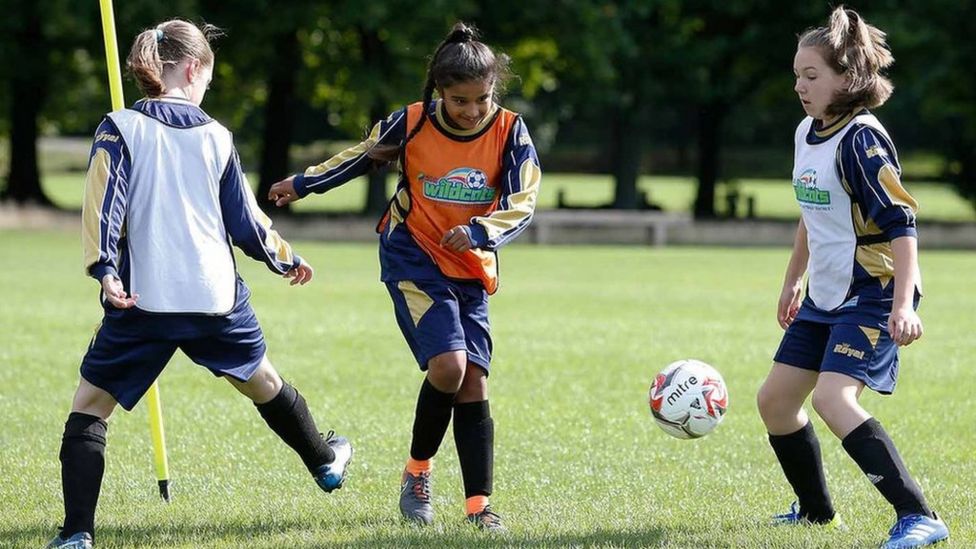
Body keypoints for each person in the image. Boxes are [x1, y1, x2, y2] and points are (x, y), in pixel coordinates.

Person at [46, 20, 352, 549]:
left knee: (90, 407)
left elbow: (103, 206)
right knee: (264, 382)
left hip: (145, 299)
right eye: (208, 76)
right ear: (193, 68)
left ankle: (77, 535)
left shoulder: (119, 128)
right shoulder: (217, 136)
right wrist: (285, 258)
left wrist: (106, 272)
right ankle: (325, 463)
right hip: (216, 298)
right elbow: (246, 221)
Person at [268, 22, 541, 532]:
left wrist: (481, 230)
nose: (473, 110)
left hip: (471, 265)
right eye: (460, 100)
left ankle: (479, 506)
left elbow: (524, 200)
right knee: (449, 367)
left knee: (474, 380)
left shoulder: (509, 130)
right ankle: (417, 474)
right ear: (440, 92)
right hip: (412, 256)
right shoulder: (412, 122)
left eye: (482, 98)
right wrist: (302, 183)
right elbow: (359, 157)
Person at [756, 6, 949, 549]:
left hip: (872, 294)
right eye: (796, 74)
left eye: (811, 76)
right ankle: (816, 514)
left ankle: (919, 516)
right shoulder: (807, 131)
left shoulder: (862, 140)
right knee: (775, 401)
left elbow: (901, 222)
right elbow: (811, 212)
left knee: (833, 399)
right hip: (825, 294)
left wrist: (906, 302)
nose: (799, 85)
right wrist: (794, 280)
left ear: (848, 79)